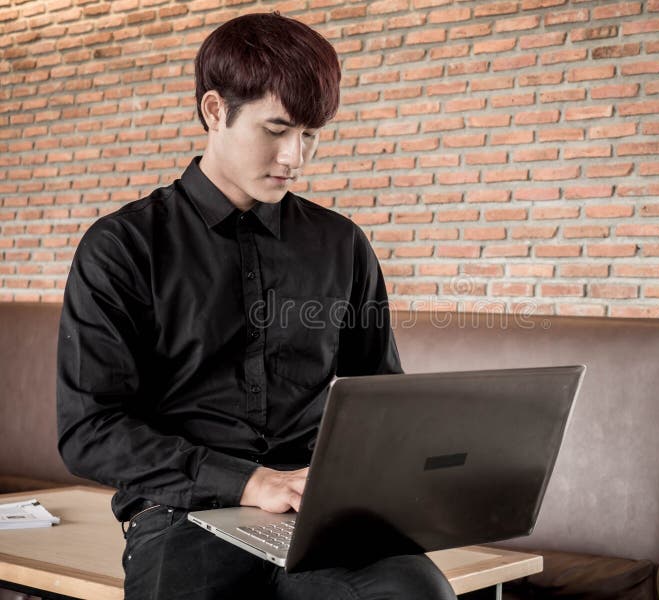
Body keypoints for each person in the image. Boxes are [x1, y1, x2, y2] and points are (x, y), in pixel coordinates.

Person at [56, 12, 457, 600]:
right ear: (215, 111)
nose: (296, 157)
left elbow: (378, 397)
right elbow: (90, 430)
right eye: (277, 129)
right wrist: (246, 482)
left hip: (318, 514)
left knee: (418, 592)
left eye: (311, 135)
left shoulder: (341, 244)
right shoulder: (122, 247)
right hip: (180, 515)